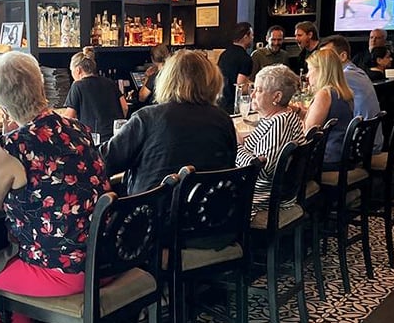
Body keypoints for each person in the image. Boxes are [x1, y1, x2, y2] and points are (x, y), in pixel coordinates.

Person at [0, 52, 109, 323]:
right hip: (106, 259)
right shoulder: (78, 129)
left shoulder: (12, 146)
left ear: (0, 102)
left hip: (68, 273)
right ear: (40, 85)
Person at [102, 50, 237, 196]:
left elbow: (104, 163)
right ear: (213, 81)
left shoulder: (147, 118)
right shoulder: (223, 120)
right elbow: (228, 168)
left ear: (167, 80)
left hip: (152, 208)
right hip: (207, 207)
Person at [235, 65, 304, 209]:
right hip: (270, 192)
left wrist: (237, 146)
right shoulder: (286, 115)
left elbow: (262, 171)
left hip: (261, 198)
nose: (252, 95)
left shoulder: (279, 123)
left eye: (259, 90)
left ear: (277, 97)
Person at [319, 34, 384, 153]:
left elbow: (320, 100)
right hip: (370, 142)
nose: (323, 62)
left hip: (361, 149)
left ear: (343, 56)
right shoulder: (357, 72)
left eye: (328, 56)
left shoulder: (344, 76)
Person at [295, 49, 354, 170]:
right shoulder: (341, 91)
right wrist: (299, 111)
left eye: (310, 69)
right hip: (342, 155)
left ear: (321, 71)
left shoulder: (325, 94)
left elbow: (308, 133)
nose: (307, 75)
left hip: (326, 159)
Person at [64, 51, 127, 140]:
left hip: (94, 138)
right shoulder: (110, 83)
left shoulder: (77, 86)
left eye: (71, 71)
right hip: (116, 137)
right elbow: (125, 107)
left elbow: (68, 117)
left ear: (78, 70)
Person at [218, 22, 254, 112]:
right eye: (251, 35)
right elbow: (241, 86)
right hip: (234, 106)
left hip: (220, 103)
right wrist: (254, 88)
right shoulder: (245, 58)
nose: (252, 38)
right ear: (245, 37)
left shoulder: (224, 54)